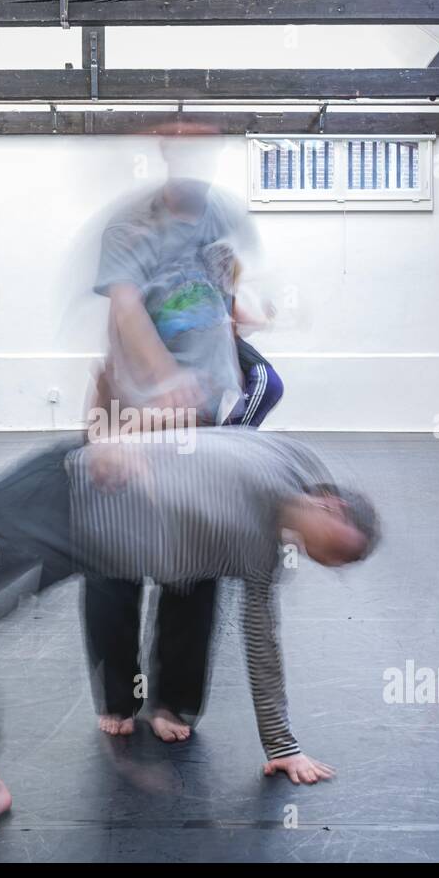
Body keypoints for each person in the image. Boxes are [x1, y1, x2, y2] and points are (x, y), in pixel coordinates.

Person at [0, 428, 380, 844]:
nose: (333, 564)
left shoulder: (262, 555)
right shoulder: (277, 462)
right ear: (330, 505)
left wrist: (282, 745)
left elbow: (262, 638)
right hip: (57, 473)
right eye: (341, 551)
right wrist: (118, 438)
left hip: (69, 536)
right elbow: (183, 414)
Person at [87, 123, 265, 743]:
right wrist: (164, 378)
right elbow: (126, 309)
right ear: (165, 154)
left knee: (194, 564)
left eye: (207, 152)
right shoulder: (131, 226)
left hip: (207, 423)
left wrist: (252, 319)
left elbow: (221, 299)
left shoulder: (222, 217)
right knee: (114, 559)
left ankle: (172, 702)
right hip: (136, 416)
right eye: (185, 151)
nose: (198, 163)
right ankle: (119, 694)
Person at [203, 239, 285, 429]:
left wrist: (268, 318)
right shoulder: (206, 298)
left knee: (237, 436)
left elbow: (249, 321)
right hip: (256, 380)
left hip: (264, 380)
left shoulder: (224, 298)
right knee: (230, 432)